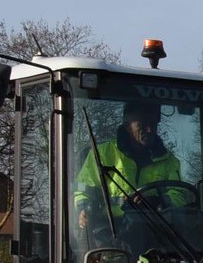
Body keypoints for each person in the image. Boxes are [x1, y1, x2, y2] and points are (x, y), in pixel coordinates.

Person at [73, 101, 183, 238]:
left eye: (153, 125)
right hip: (110, 231)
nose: (149, 130)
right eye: (142, 125)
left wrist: (157, 201)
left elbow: (180, 196)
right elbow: (83, 188)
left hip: (156, 232)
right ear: (127, 127)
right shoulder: (102, 153)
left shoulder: (169, 161)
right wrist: (85, 208)